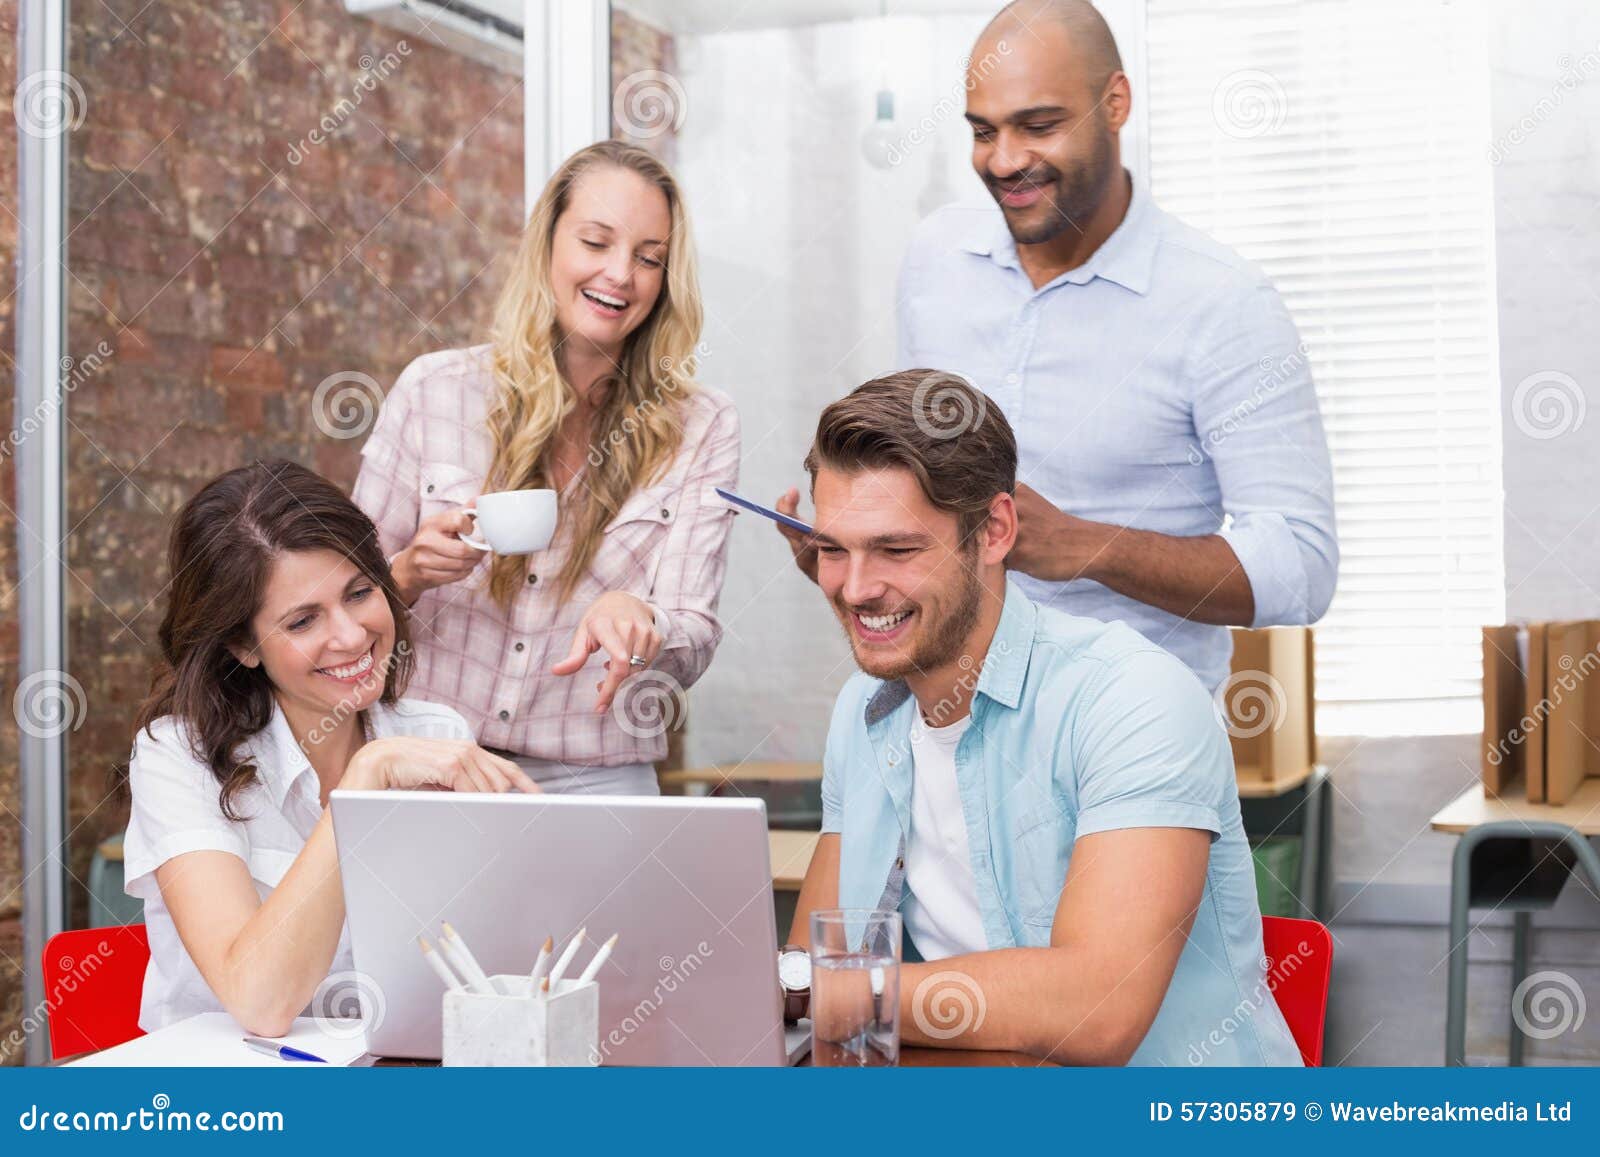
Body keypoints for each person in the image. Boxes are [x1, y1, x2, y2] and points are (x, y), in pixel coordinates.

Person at [778, 0, 1336, 692]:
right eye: (984, 132)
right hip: (947, 717)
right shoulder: (935, 259)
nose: (1006, 160)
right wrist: (859, 550)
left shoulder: (1223, 303)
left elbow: (1302, 567)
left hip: (1135, 734)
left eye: (1039, 126)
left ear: (1115, 103)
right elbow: (927, 490)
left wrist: (1085, 545)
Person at [786, 371, 1302, 1065]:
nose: (855, 587)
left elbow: (1097, 1007)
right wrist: (814, 992)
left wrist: (839, 993)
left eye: (897, 549)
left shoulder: (1132, 697)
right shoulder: (864, 711)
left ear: (994, 531)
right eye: (832, 549)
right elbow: (810, 972)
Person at [354, 140, 739, 795]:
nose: (621, 273)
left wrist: (646, 622)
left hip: (597, 780)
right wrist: (410, 574)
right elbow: (338, 606)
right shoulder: (434, 389)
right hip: (427, 766)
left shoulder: (701, 425)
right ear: (548, 245)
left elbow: (693, 636)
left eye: (650, 258)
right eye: (596, 242)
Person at [121, 461, 538, 1035]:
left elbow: (487, 959)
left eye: (360, 593)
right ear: (243, 644)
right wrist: (363, 781)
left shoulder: (438, 737)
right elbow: (262, 1004)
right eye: (302, 621)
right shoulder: (178, 756)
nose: (349, 635)